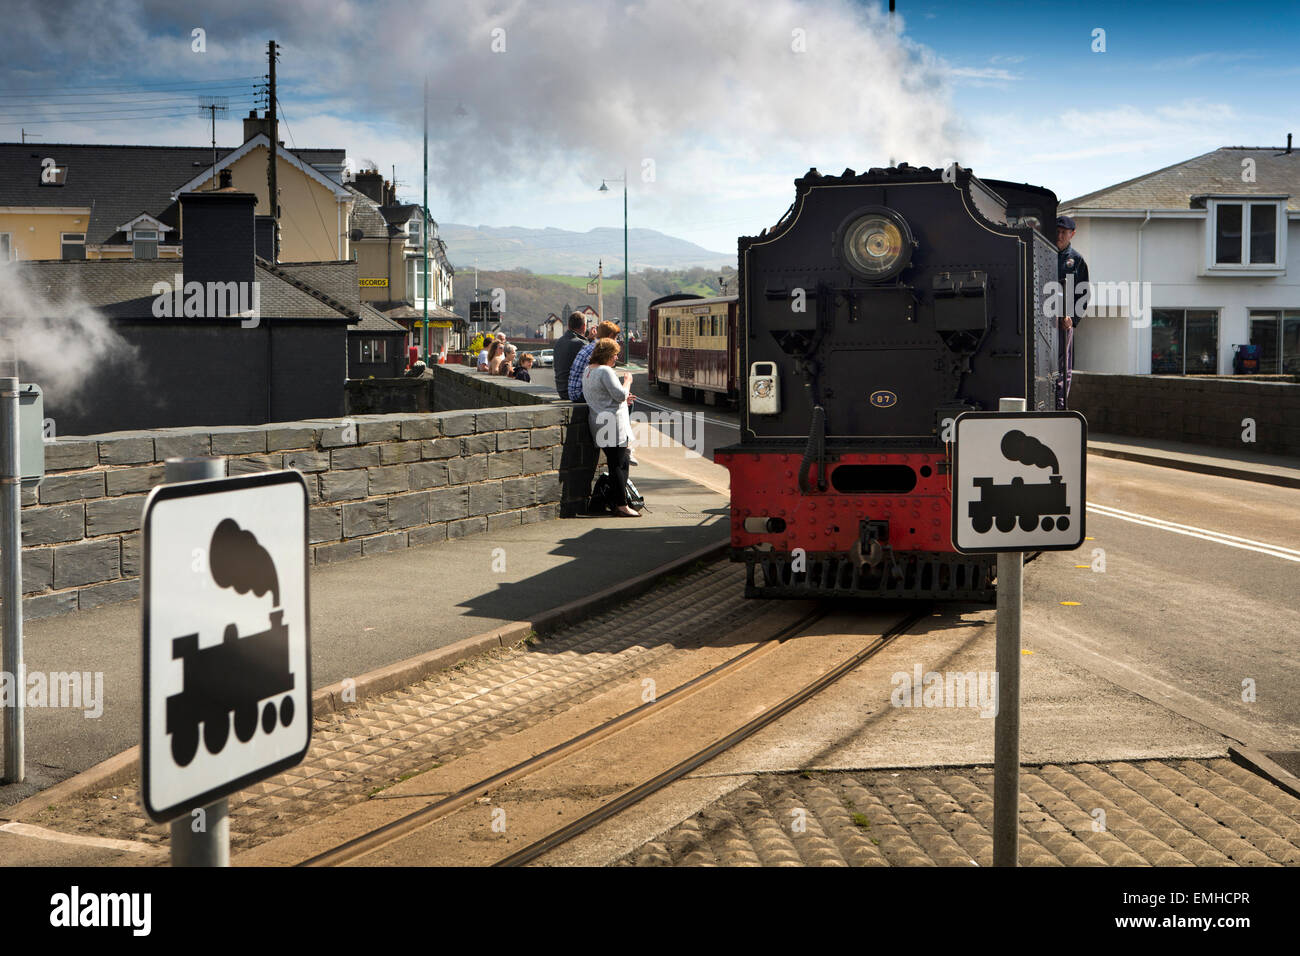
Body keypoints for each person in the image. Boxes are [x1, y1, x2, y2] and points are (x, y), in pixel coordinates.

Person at [582, 338, 639, 517]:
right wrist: (628, 381)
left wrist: (623, 400)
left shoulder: (588, 371)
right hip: (613, 426)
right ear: (607, 354)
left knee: (616, 462)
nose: (616, 358)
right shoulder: (605, 371)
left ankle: (619, 503)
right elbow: (620, 394)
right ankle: (621, 505)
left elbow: (603, 398)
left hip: (598, 424)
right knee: (618, 465)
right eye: (614, 355)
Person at [1056, 215, 1089, 409]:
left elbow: (1083, 294)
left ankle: (1061, 403)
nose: (1059, 235)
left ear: (1072, 234)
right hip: (1043, 317)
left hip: (1064, 320)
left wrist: (1073, 319)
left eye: (1063, 232)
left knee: (1064, 366)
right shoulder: (1044, 253)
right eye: (1057, 231)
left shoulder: (1076, 260)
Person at [567, 320, 620, 403]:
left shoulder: (592, 346)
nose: (616, 341)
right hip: (581, 394)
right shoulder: (601, 350)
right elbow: (605, 377)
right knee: (625, 401)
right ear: (610, 336)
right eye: (616, 338)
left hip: (574, 392)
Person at [553, 312, 590, 401]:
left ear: (569, 325)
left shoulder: (559, 342)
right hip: (575, 393)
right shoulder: (581, 344)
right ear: (584, 326)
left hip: (561, 391)